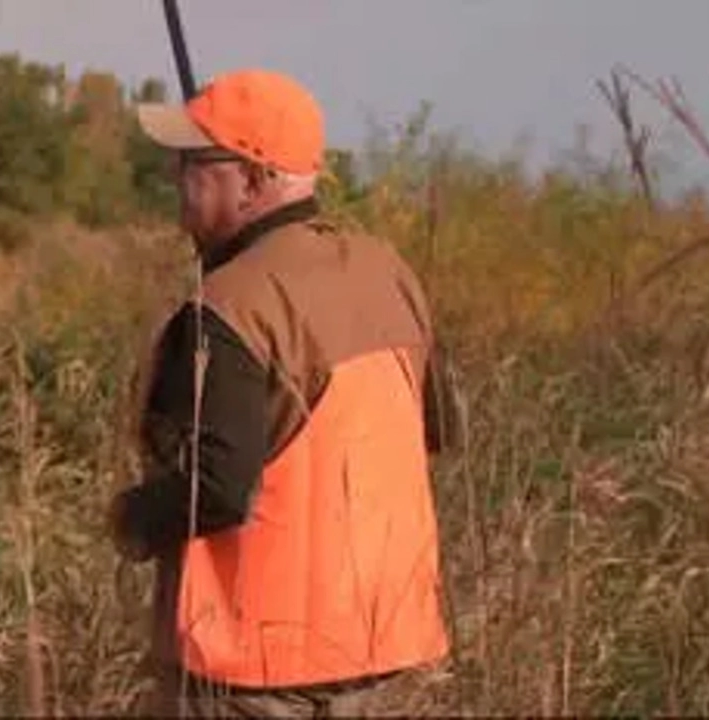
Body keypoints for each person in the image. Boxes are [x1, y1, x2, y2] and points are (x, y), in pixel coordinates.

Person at [107, 68, 452, 717]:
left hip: (253, 673)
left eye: (196, 163)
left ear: (256, 180)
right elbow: (427, 436)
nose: (177, 181)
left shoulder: (230, 307)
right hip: (382, 655)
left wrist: (129, 518)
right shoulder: (390, 275)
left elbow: (214, 486)